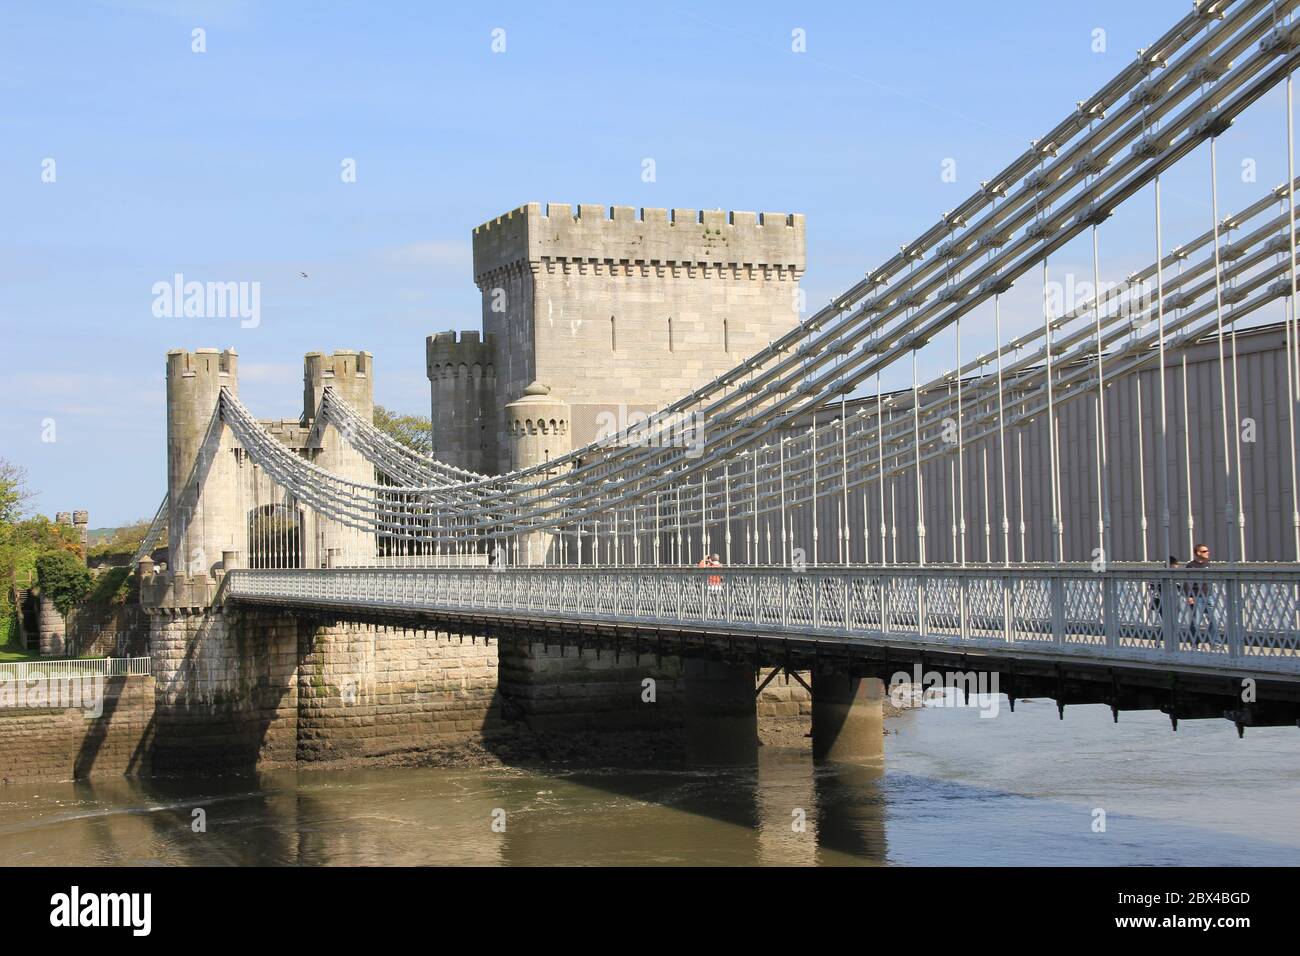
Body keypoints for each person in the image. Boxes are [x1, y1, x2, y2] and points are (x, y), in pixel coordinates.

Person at [1185, 543, 1219, 644]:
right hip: (1196, 596)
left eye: (1207, 551)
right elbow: (1187, 581)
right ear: (1198, 553)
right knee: (1196, 621)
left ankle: (1214, 641)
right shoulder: (1191, 566)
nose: (1208, 553)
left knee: (1214, 619)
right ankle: (1194, 641)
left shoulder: (1208, 564)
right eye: (1205, 551)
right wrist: (1189, 596)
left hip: (1208, 595)